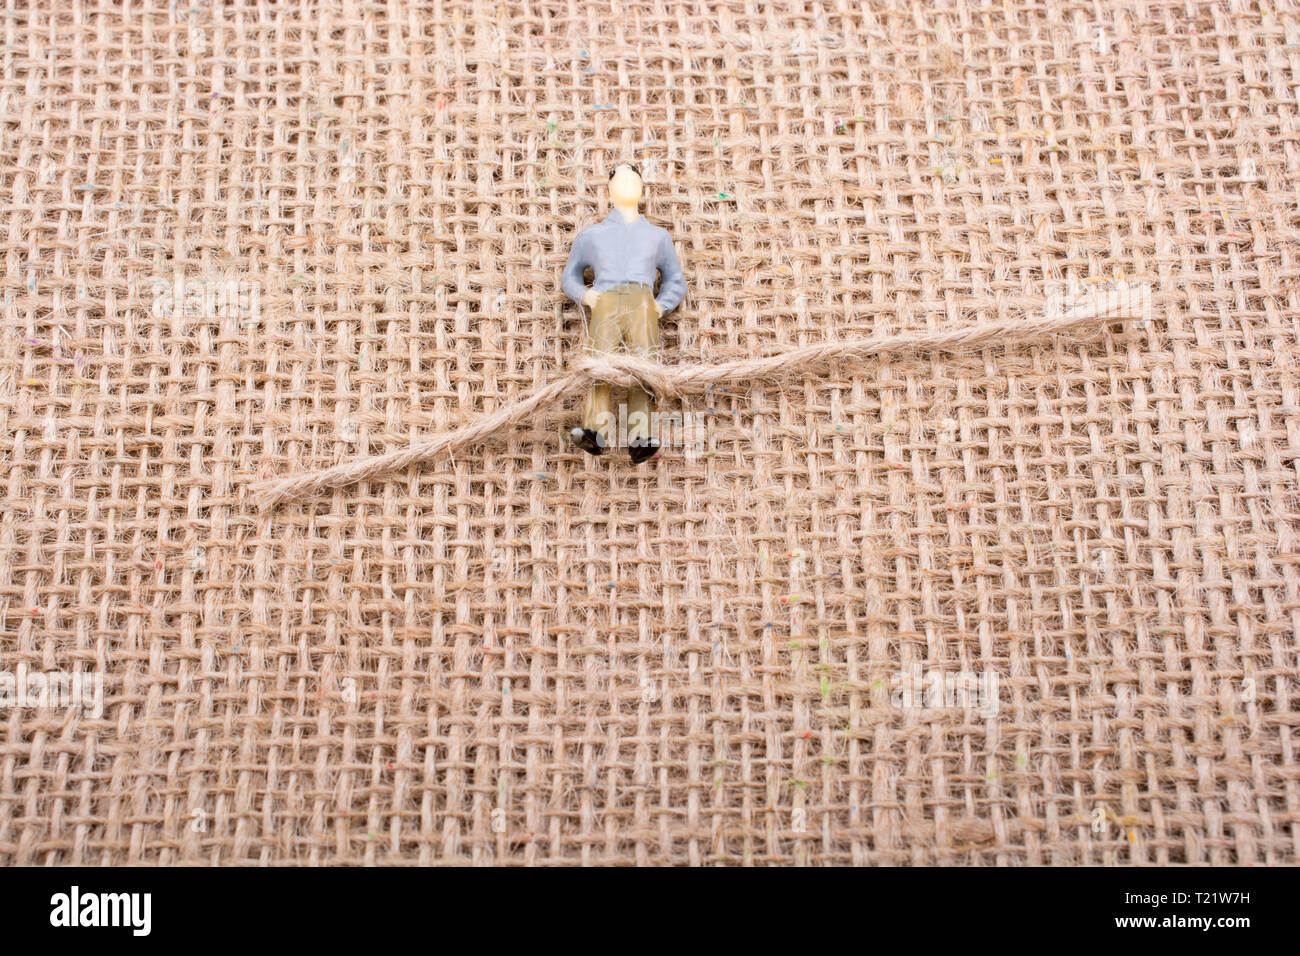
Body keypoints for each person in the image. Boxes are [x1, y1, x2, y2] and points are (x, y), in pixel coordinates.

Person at [560, 164, 686, 463]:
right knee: (599, 363)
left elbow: (675, 279)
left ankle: (640, 436)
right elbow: (570, 276)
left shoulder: (657, 236)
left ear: (642, 189)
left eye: (634, 181)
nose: (629, 186)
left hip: (643, 302)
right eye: (622, 181)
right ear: (610, 189)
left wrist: (660, 304)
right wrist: (588, 295)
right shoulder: (592, 236)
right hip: (606, 301)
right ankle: (595, 430)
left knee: (643, 367)